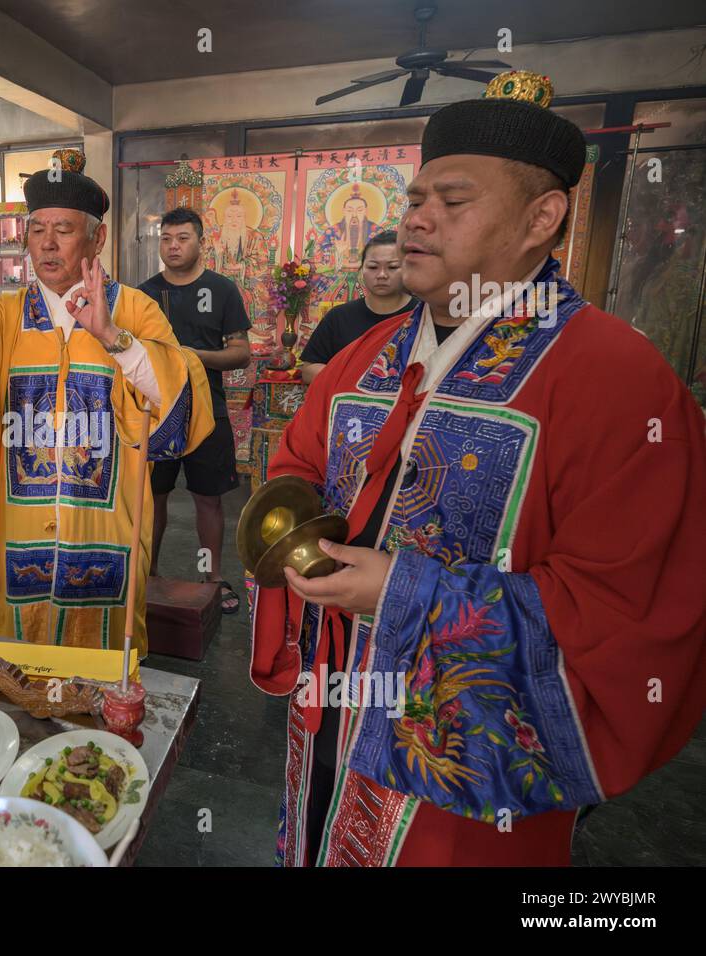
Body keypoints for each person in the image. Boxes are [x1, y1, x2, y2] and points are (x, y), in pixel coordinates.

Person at [249, 73, 706, 866]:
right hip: (331, 705)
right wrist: (290, 525)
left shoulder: (618, 380)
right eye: (415, 198)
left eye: (452, 203)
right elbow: (297, 463)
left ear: (543, 216)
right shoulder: (364, 358)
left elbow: (630, 611)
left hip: (459, 768)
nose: (417, 219)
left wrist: (403, 594)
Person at [0, 149, 213, 656]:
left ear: (97, 237)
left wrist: (114, 338)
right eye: (37, 229)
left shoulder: (134, 308)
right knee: (24, 673)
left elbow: (178, 399)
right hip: (25, 532)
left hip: (107, 527)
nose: (46, 243)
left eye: (63, 229)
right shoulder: (5, 313)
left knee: (105, 678)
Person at [139, 206, 251, 614]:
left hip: (209, 410)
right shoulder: (142, 294)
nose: (173, 246)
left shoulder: (221, 290)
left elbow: (240, 353)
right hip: (153, 412)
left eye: (183, 238)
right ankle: (146, 576)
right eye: (166, 239)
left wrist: (190, 358)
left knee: (208, 499)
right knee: (153, 498)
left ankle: (212, 577)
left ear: (201, 243)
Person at [299, 230, 414, 384]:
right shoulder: (339, 317)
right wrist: (355, 380)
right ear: (362, 270)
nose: (381, 274)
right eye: (373, 267)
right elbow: (308, 370)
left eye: (392, 267)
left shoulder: (423, 314)